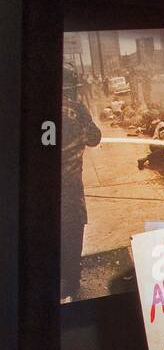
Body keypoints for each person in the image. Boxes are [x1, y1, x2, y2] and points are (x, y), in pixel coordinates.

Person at [60, 64, 102, 301]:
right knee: (73, 226)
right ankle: (71, 280)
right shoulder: (76, 108)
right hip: (70, 186)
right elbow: (94, 138)